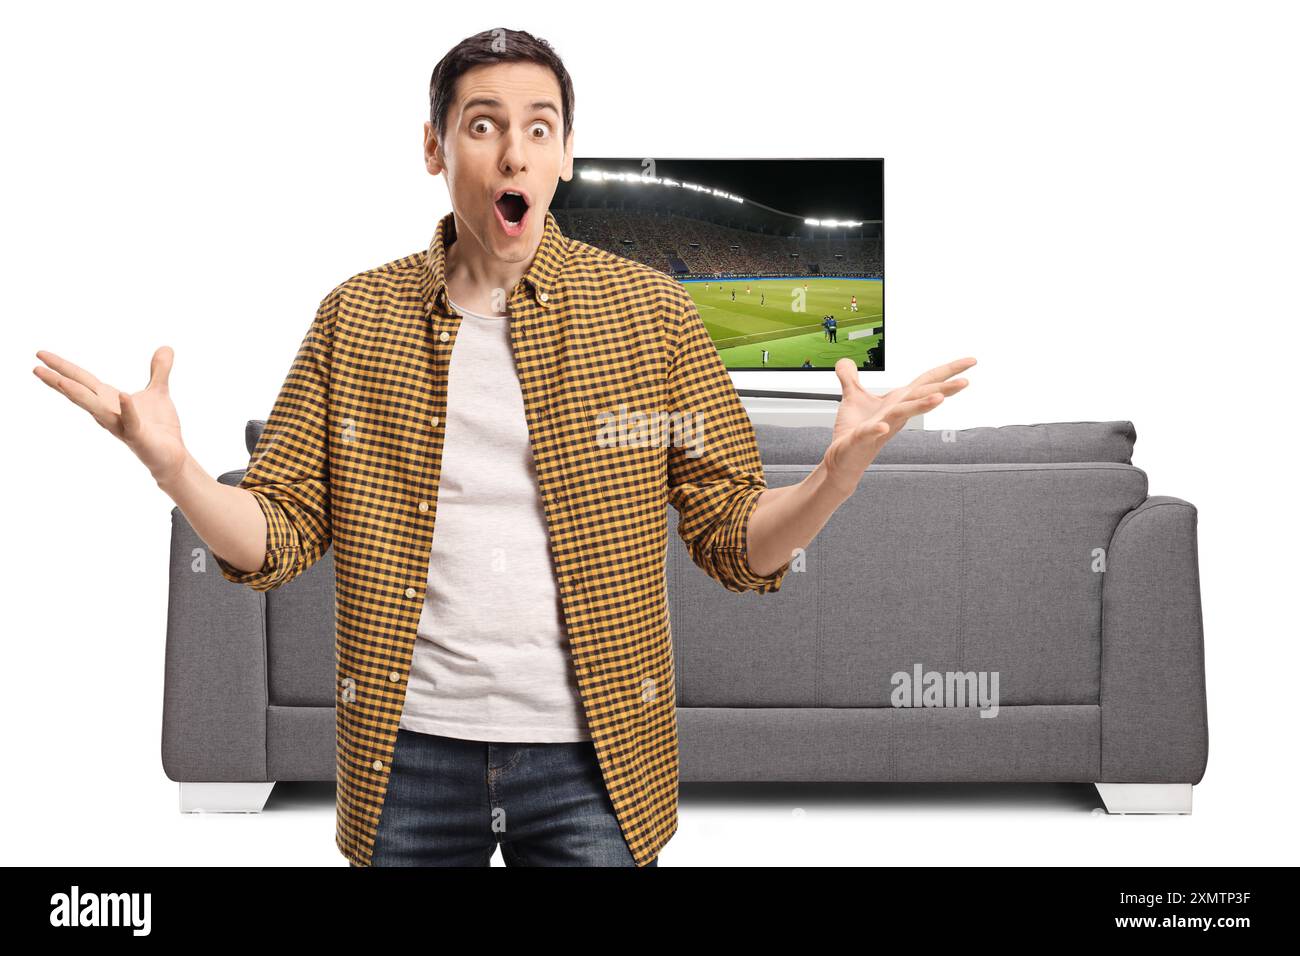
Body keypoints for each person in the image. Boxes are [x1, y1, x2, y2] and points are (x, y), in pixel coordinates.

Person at [33, 26, 976, 869]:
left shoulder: (652, 316)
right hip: (402, 758)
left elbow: (735, 542)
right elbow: (275, 536)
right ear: (436, 147)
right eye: (482, 125)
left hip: (598, 761)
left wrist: (832, 478)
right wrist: (177, 470)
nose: (512, 149)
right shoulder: (354, 318)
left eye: (539, 126)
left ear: (565, 154)